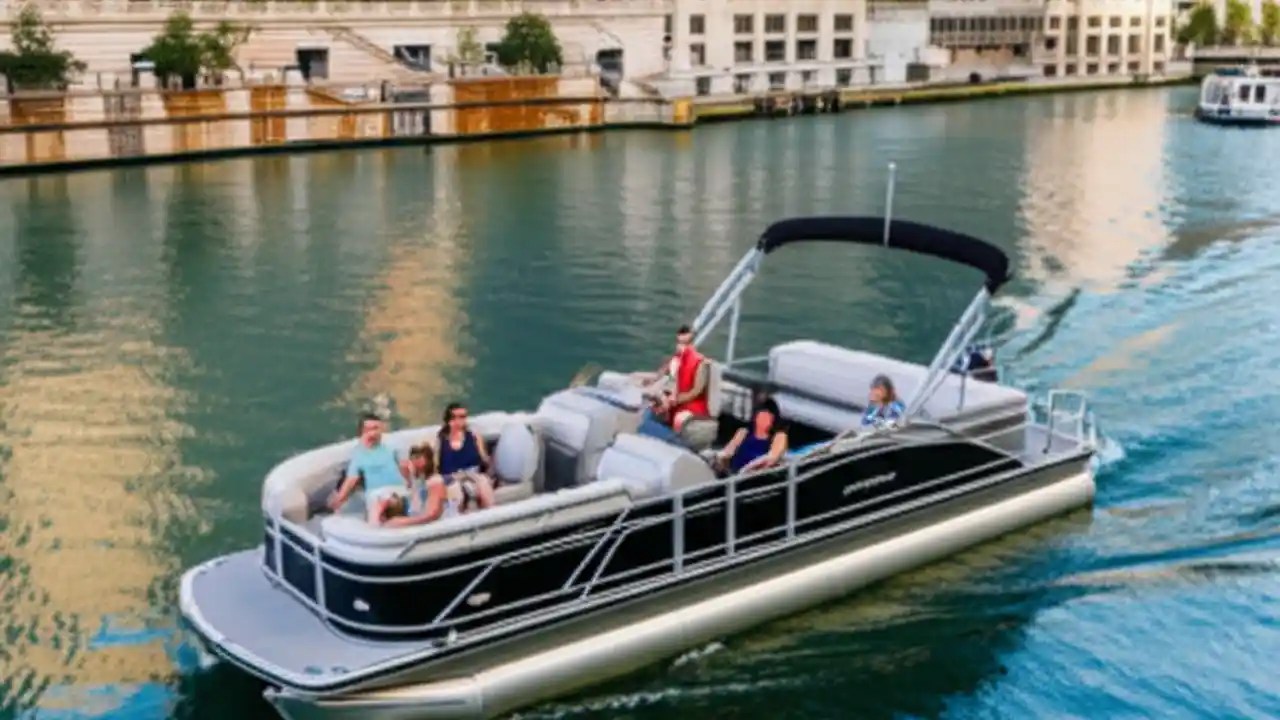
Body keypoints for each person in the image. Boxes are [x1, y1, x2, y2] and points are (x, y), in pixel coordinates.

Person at [638, 324, 714, 448]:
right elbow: (660, 374)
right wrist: (650, 383)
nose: (681, 347)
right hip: (673, 399)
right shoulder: (674, 360)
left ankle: (676, 445)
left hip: (691, 404)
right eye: (679, 343)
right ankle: (649, 438)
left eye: (685, 344)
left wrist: (675, 399)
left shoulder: (701, 363)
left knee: (679, 418)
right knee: (650, 410)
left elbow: (696, 391)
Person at [329, 412, 413, 524]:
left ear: (382, 430)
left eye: (376, 428)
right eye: (368, 430)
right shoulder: (359, 453)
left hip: (398, 490)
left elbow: (404, 467)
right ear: (361, 433)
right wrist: (338, 500)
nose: (373, 433)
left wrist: (409, 484)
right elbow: (351, 480)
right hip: (377, 494)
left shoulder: (391, 447)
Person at [436, 402, 496, 512]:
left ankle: (492, 515)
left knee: (483, 482)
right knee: (456, 491)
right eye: (456, 417)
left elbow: (484, 459)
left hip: (472, 473)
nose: (460, 421)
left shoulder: (474, 436)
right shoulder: (440, 440)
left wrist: (490, 471)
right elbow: (436, 466)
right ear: (449, 420)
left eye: (463, 417)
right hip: (451, 477)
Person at [381, 443, 454, 527]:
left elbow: (432, 515)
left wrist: (401, 522)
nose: (409, 463)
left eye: (412, 460)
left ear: (422, 462)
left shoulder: (435, 482)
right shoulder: (419, 481)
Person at [715, 396, 788, 476]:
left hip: (758, 477)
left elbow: (771, 458)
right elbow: (728, 450)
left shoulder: (779, 436)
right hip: (734, 473)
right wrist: (720, 457)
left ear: (773, 419)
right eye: (761, 415)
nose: (764, 419)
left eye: (768, 417)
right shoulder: (743, 432)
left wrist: (748, 468)